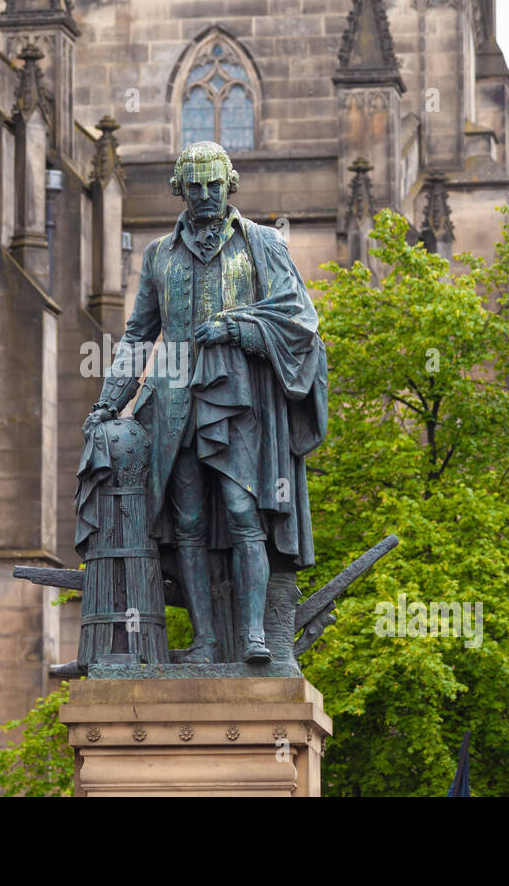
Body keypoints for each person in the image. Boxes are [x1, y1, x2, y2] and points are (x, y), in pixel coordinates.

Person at [83, 141, 328, 664]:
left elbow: (299, 320)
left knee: (244, 513)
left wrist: (238, 327)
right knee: (187, 524)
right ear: (179, 190)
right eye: (194, 187)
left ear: (230, 184)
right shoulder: (158, 257)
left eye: (214, 185)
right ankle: (206, 640)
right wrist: (108, 403)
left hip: (237, 400)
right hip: (172, 402)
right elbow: (136, 337)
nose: (205, 195)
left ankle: (255, 634)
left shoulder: (262, 245)